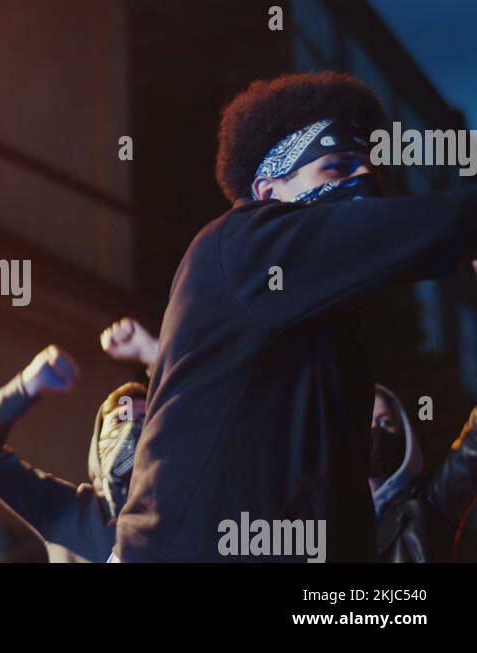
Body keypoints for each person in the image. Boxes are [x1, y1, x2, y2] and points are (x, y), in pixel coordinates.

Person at [115, 71, 477, 562]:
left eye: (369, 169)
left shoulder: (324, 328)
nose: (362, 183)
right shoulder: (244, 241)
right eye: (337, 168)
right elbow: (436, 224)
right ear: (268, 191)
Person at [0, 317, 154, 562]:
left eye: (143, 421)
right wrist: (25, 387)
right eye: (122, 419)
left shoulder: (183, 513)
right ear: (97, 444)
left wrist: (154, 353)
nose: (132, 429)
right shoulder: (67, 512)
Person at [370, 385, 477, 562]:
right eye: (365, 422)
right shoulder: (326, 513)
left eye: (386, 422)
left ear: (404, 432)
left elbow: (470, 454)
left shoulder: (428, 501)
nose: (376, 431)